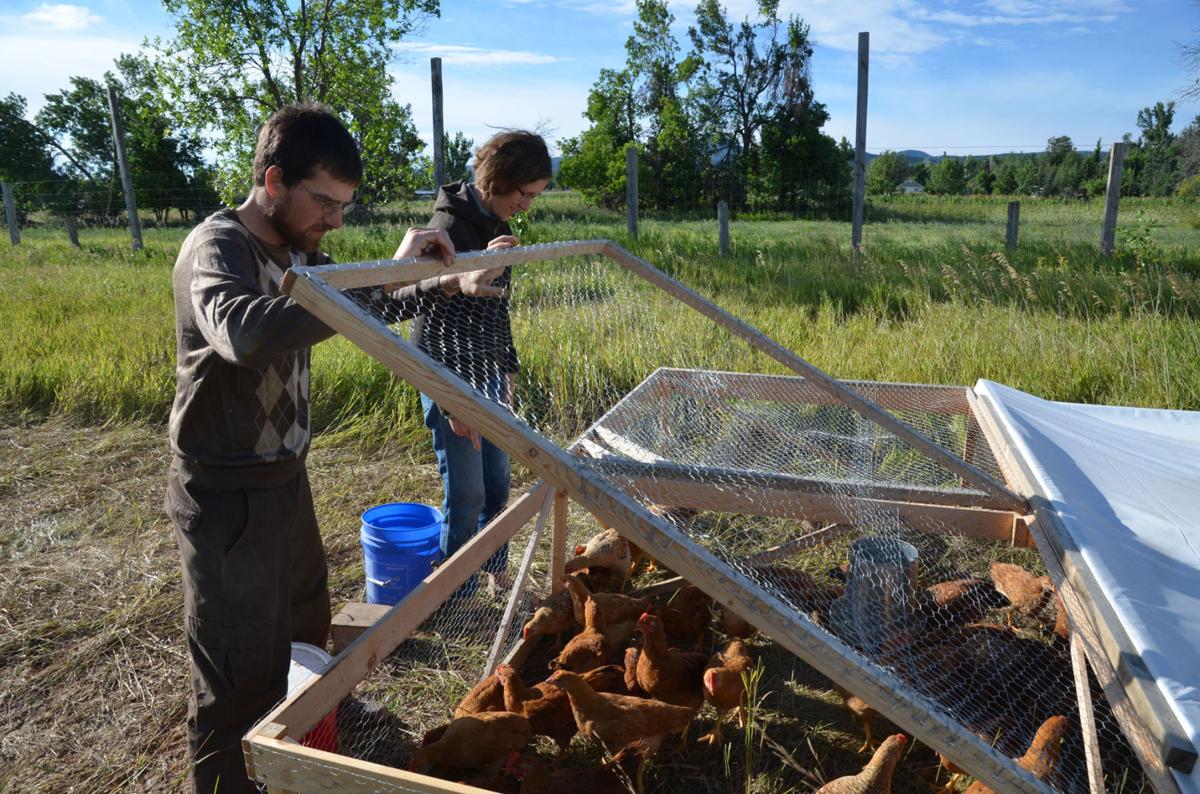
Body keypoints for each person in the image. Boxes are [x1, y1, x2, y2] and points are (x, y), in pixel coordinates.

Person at [164, 102, 502, 794]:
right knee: (234, 675)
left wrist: (443, 283)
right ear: (273, 179)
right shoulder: (217, 246)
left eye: (343, 206)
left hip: (286, 476)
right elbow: (248, 335)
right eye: (324, 201)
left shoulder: (302, 250)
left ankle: (311, 736)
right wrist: (380, 276)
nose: (335, 221)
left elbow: (357, 312)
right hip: (225, 492)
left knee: (306, 627)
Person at [410, 130, 553, 597]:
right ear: (499, 179)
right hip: (447, 372)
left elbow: (495, 306)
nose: (527, 205)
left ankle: (495, 570)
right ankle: (458, 592)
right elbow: (430, 320)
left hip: (488, 369)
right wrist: (454, 402)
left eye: (534, 196)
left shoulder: (496, 224)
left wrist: (506, 369)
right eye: (524, 194)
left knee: (497, 482)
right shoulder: (447, 229)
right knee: (467, 492)